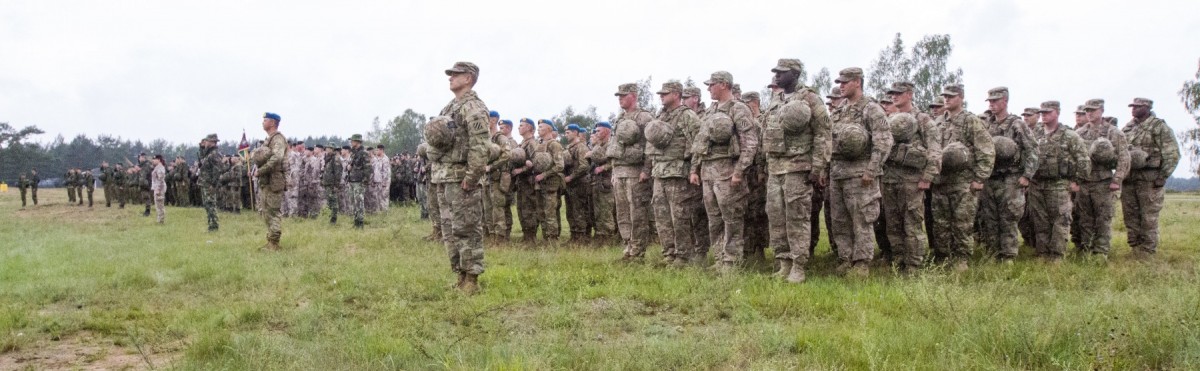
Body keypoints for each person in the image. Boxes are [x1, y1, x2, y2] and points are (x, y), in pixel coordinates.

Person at [761, 59, 830, 282]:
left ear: (795, 74)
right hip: (776, 168)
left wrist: (818, 167)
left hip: (798, 168)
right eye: (776, 73)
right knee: (776, 216)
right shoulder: (776, 99)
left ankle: (799, 265)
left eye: (782, 73)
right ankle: (784, 262)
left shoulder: (810, 98)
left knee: (797, 217)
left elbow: (823, 133)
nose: (777, 76)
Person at [690, 71, 760, 273]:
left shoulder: (738, 109)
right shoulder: (711, 110)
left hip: (728, 172)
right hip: (708, 173)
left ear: (723, 85)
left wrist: (739, 171)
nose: (708, 88)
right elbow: (700, 141)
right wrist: (695, 168)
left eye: (711, 85)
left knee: (732, 218)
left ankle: (732, 261)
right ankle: (720, 258)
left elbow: (750, 143)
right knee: (714, 218)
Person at [828, 67, 893, 277]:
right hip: (838, 173)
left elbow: (883, 141)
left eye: (845, 82)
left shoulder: (871, 109)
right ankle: (846, 258)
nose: (841, 86)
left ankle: (862, 262)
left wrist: (871, 170)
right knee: (839, 220)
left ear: (857, 82)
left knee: (862, 220)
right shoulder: (839, 111)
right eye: (840, 82)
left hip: (860, 174)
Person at [436, 61, 490, 293]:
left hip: (461, 178)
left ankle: (472, 280)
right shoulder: (449, 108)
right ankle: (460, 275)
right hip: (444, 176)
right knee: (449, 230)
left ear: (468, 78)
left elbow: (480, 146)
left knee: (467, 228)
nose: (450, 78)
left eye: (455, 75)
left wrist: (472, 176)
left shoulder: (474, 107)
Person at [930, 84, 994, 272]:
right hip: (941, 182)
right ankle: (943, 257)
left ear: (961, 98)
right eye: (945, 96)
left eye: (951, 96)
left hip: (963, 182)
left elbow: (986, 150)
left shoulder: (971, 121)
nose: (947, 99)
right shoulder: (938, 122)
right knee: (940, 223)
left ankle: (961, 259)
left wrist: (980, 178)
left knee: (962, 222)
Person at [882, 81, 941, 273]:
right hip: (889, 179)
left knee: (912, 223)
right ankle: (898, 260)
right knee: (893, 223)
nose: (894, 96)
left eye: (898, 93)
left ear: (910, 94)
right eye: (892, 94)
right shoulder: (887, 120)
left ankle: (914, 264)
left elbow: (934, 149)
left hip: (912, 180)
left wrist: (928, 176)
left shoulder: (922, 119)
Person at [977, 87, 1038, 263]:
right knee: (990, 217)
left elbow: (1032, 149)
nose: (992, 104)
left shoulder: (1017, 124)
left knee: (1008, 217)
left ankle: (1009, 255)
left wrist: (1027, 175)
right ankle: (994, 253)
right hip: (991, 178)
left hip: (1011, 178)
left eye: (995, 101)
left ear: (1005, 101)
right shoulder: (988, 125)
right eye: (990, 101)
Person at [649, 81, 704, 266]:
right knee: (661, 215)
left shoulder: (687, 116)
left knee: (679, 216)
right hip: (659, 173)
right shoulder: (661, 115)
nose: (661, 96)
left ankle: (683, 255)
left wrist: (694, 169)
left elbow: (698, 144)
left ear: (676, 94)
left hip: (678, 173)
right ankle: (669, 254)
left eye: (665, 93)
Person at [1028, 101, 1089, 262]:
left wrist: (1078, 181)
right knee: (1040, 220)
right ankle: (1042, 253)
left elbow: (1083, 159)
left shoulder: (1069, 135)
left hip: (1059, 183)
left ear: (1057, 113)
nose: (1044, 115)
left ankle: (1056, 255)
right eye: (1042, 112)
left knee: (1060, 219)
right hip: (1037, 184)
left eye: (1048, 112)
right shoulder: (1035, 133)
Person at [1121, 98, 1180, 259]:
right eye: (1132, 106)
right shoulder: (1128, 127)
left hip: (1149, 179)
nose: (1133, 109)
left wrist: (1163, 176)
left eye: (1137, 107)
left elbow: (1172, 154)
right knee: (1130, 216)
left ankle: (1147, 252)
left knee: (1148, 216)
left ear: (1147, 108)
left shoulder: (1158, 127)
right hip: (1129, 178)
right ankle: (1135, 248)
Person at [1075, 99, 1129, 260]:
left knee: (1103, 218)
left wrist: (1117, 179)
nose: (1089, 113)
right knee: (1084, 218)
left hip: (1104, 182)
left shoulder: (1114, 132)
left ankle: (1101, 252)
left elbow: (1124, 158)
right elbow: (1073, 157)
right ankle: (1086, 249)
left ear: (1102, 110)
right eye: (1087, 111)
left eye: (1093, 110)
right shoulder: (1080, 133)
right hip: (1084, 182)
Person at [610, 83, 655, 262]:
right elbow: (616, 146)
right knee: (622, 212)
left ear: (634, 96)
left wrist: (646, 170)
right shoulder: (620, 118)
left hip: (636, 172)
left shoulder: (645, 117)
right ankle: (627, 247)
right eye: (618, 96)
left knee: (637, 212)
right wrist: (613, 170)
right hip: (620, 171)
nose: (620, 98)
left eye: (623, 95)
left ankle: (637, 251)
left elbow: (651, 145)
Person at [253, 112, 288, 250]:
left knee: (272, 212)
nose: (262, 122)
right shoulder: (269, 139)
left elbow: (277, 158)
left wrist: (261, 171)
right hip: (267, 181)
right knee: (266, 212)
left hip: (274, 181)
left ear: (272, 123)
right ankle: (271, 241)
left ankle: (274, 243)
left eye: (265, 120)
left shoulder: (278, 139)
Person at [512, 118, 541, 242]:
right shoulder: (523, 143)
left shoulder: (532, 143)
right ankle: (526, 235)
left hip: (529, 181)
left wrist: (522, 169)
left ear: (529, 128)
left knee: (529, 209)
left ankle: (531, 237)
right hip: (521, 182)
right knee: (521, 209)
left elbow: (536, 162)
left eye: (521, 125)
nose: (519, 127)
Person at [588, 122, 617, 245]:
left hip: (607, 182)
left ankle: (608, 238)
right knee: (598, 211)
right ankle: (600, 235)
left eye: (599, 131)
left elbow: (615, 161)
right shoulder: (598, 145)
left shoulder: (612, 144)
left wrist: (604, 167)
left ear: (607, 131)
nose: (596, 133)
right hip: (597, 182)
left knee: (606, 210)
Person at [563, 123, 592, 243]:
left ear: (575, 133)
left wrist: (571, 176)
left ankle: (582, 237)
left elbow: (584, 166)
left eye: (568, 132)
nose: (566, 135)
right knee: (570, 211)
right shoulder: (569, 147)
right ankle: (574, 236)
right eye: (565, 133)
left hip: (580, 183)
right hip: (570, 185)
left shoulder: (581, 147)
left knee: (579, 210)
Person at [199, 134, 223, 231]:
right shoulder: (209, 153)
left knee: (210, 204)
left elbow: (217, 170)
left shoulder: (214, 154)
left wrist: (213, 184)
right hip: (205, 182)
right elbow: (202, 159)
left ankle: (214, 226)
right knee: (207, 204)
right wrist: (201, 147)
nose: (206, 143)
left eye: (207, 141)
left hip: (209, 184)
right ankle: (211, 224)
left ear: (213, 142)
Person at [347, 134, 370, 229]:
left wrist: (365, 181)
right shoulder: (353, 153)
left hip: (359, 181)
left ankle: (360, 223)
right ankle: (356, 222)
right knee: (353, 202)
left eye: (352, 141)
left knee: (359, 202)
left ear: (357, 142)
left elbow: (367, 168)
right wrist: (349, 167)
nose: (351, 142)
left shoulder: (363, 153)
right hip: (352, 180)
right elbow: (351, 164)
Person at [322, 142, 344, 224]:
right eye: (327, 148)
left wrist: (336, 185)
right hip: (327, 183)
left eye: (328, 148)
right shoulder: (328, 158)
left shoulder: (336, 158)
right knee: (329, 201)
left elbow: (338, 173)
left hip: (332, 184)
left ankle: (334, 219)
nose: (327, 149)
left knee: (334, 201)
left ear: (332, 149)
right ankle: (330, 218)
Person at [151, 155, 167, 223]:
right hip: (157, 187)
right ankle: (159, 219)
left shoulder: (160, 168)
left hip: (159, 188)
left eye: (155, 159)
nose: (153, 161)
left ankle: (161, 220)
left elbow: (160, 179)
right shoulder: (157, 167)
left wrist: (158, 189)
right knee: (158, 205)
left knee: (160, 205)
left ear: (159, 160)